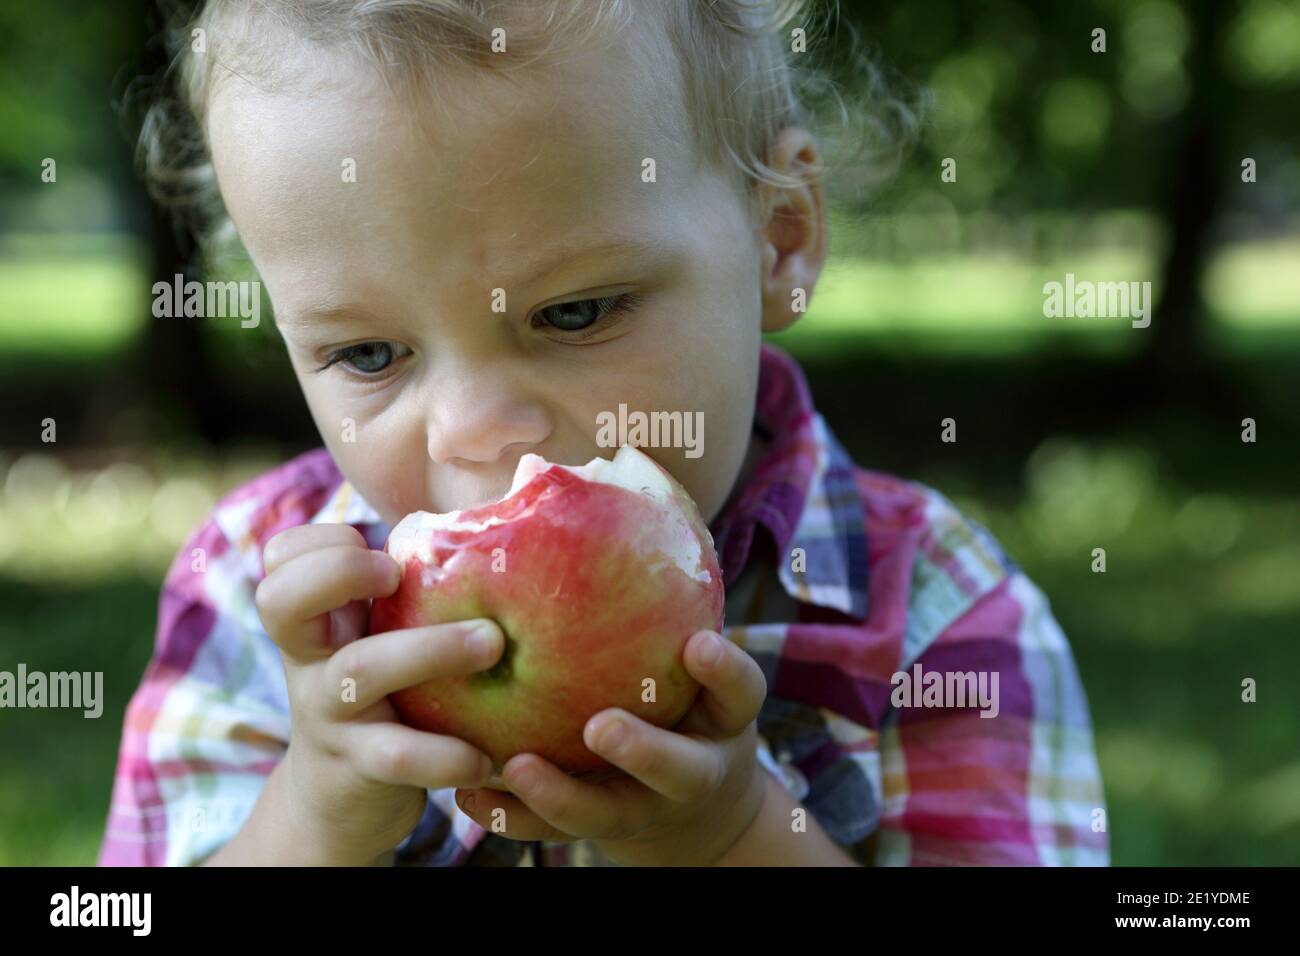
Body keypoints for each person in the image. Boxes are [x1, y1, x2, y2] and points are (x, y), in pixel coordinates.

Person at [100, 0, 1108, 866]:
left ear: (779, 236)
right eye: (368, 354)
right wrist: (311, 813)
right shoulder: (258, 595)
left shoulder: (936, 614)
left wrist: (735, 834)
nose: (475, 430)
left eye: (575, 313)